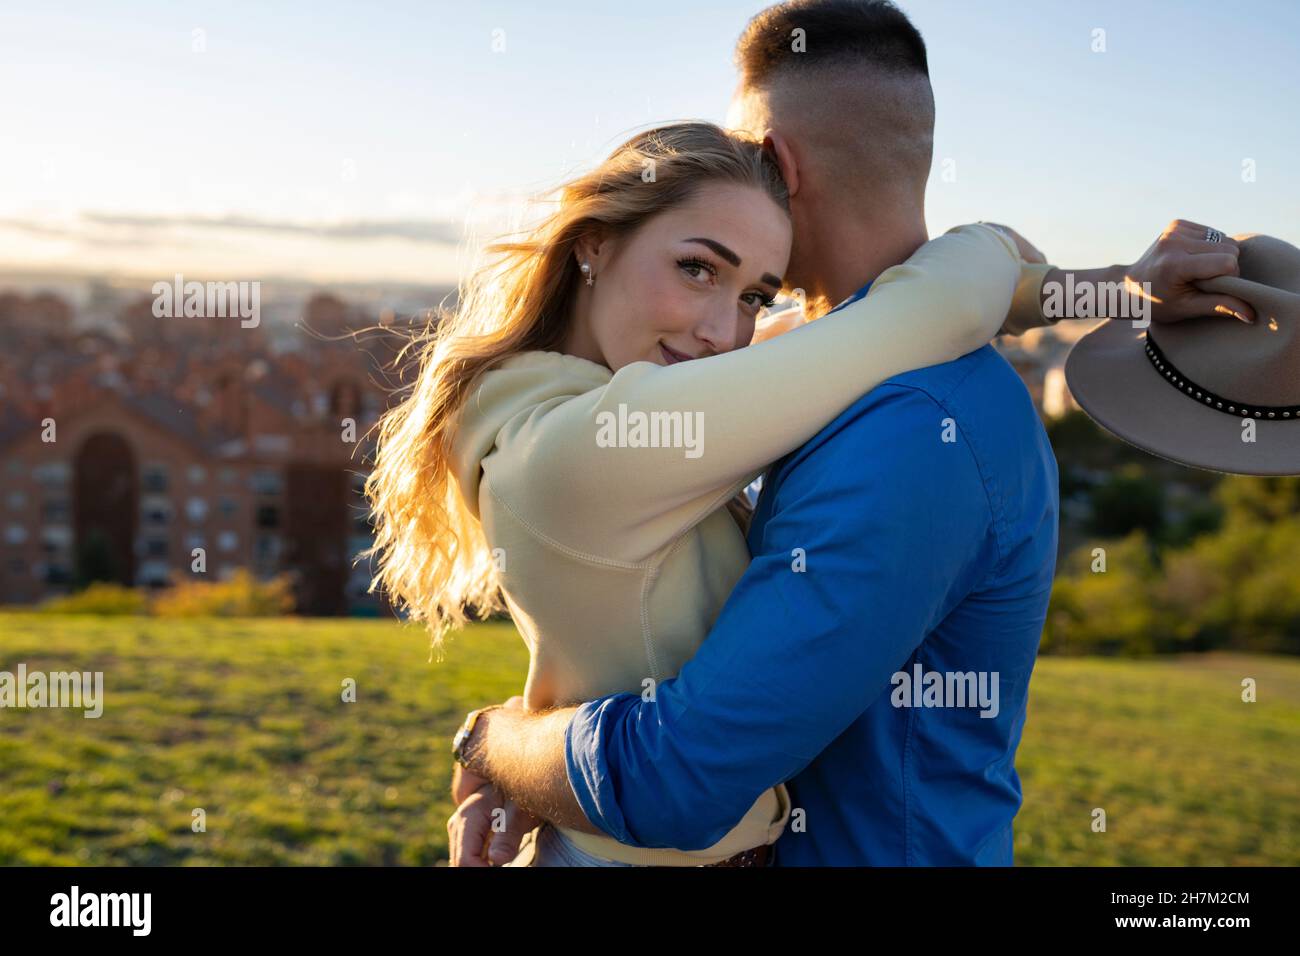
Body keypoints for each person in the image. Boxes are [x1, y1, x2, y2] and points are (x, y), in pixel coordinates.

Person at [444, 0, 1252, 867]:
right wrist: (1111, 286)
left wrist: (500, 745)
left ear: (778, 166)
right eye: (697, 269)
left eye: (747, 156)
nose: (728, 329)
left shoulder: (907, 425)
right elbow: (928, 297)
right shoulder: (818, 376)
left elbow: (676, 778)